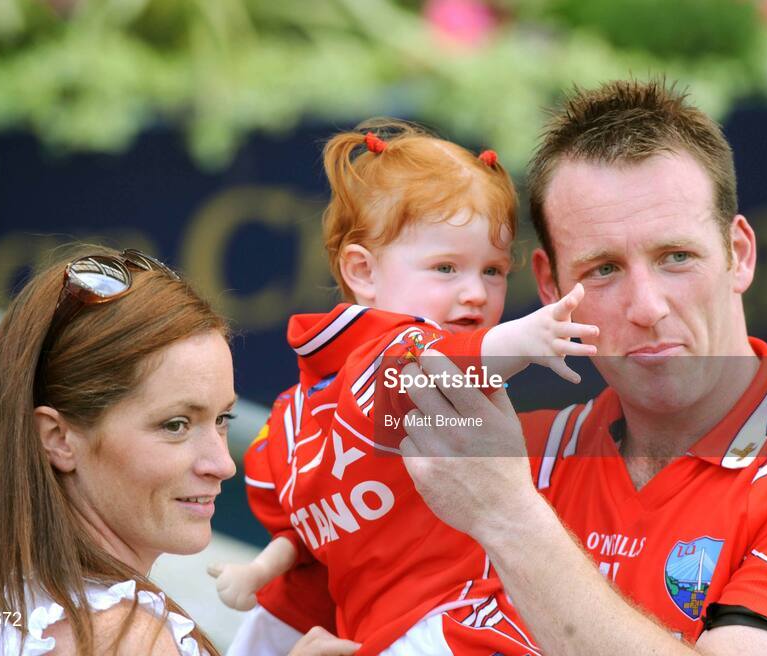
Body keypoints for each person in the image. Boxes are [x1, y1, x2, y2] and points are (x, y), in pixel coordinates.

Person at [238, 80, 767, 656]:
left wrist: (511, 520)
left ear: (739, 254)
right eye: (602, 270)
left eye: (676, 257)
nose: (646, 306)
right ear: (548, 287)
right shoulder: (513, 449)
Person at [209, 120, 598, 656]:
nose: (475, 293)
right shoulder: (371, 366)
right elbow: (437, 365)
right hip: (426, 625)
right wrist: (526, 337)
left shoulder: (308, 402)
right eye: (446, 267)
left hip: (448, 616)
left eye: (492, 270)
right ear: (362, 272)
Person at [0, 246, 238, 656]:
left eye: (223, 420)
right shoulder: (122, 638)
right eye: (176, 425)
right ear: (58, 438)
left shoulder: (17, 608)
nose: (223, 464)